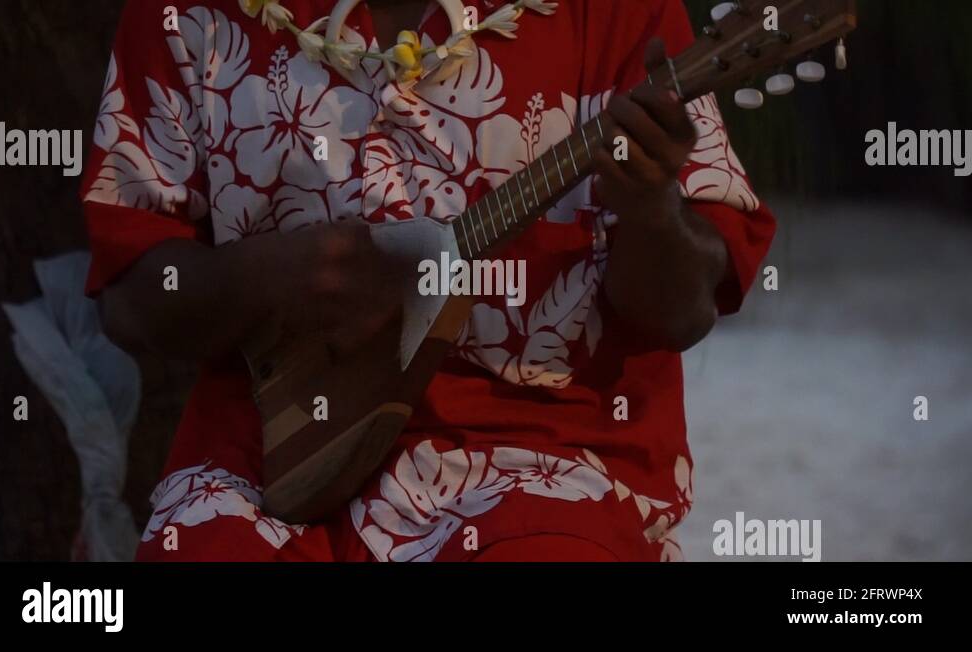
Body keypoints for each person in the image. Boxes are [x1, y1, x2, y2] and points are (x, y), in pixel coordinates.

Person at [81, 0, 775, 561]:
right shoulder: (190, 14)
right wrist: (272, 275)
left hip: (547, 466)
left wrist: (650, 207)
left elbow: (681, 313)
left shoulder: (616, 11)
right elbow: (132, 295)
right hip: (272, 456)